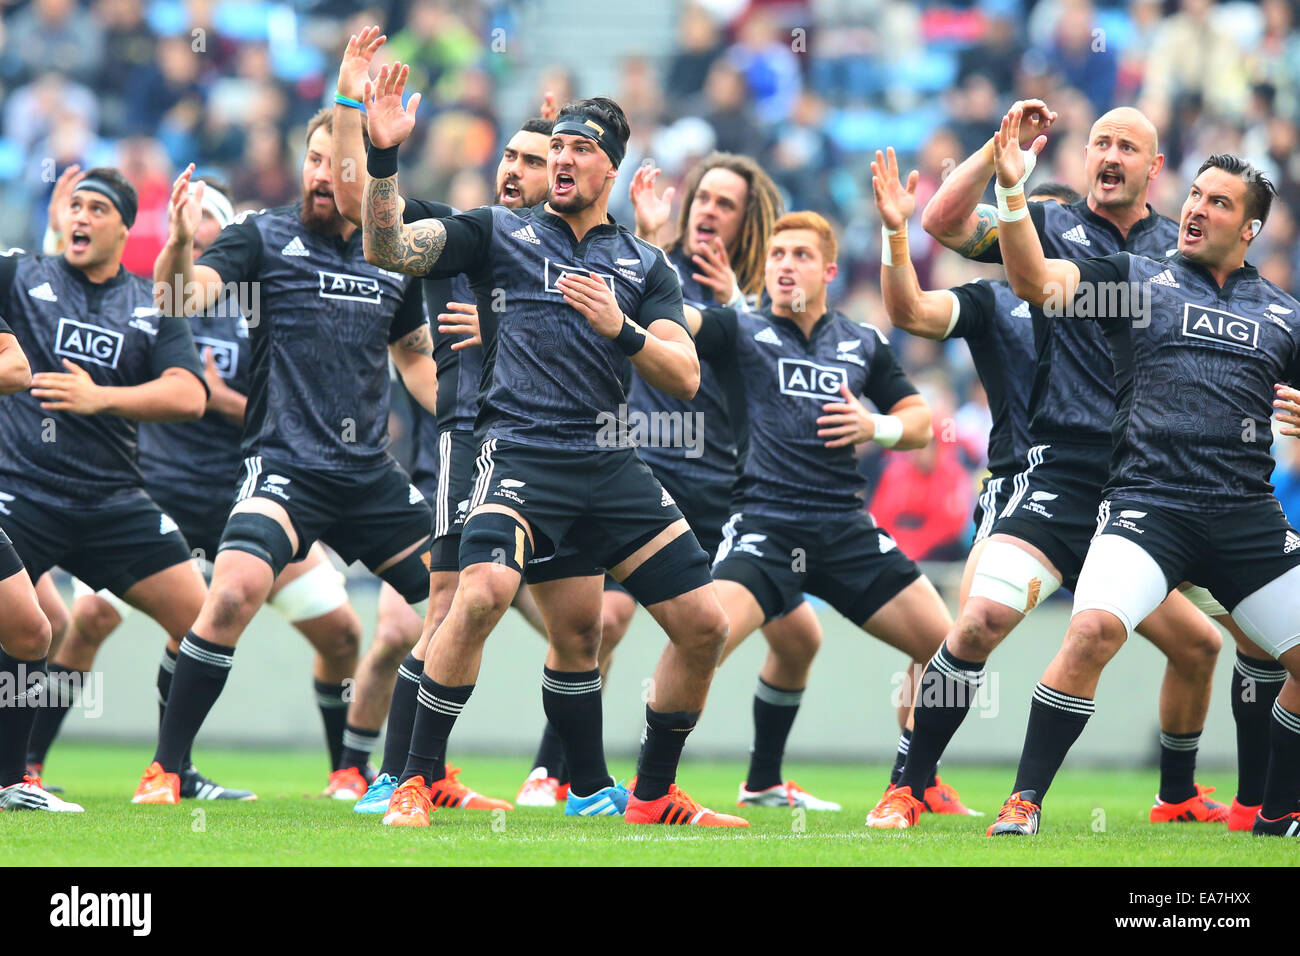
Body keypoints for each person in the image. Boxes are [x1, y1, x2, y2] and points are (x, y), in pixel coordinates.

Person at [362, 65, 743, 827]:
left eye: (579, 149)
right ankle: (414, 778)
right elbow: (388, 247)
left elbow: (687, 374)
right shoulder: (496, 232)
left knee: (698, 626)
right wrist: (382, 160)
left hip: (609, 461)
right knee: (479, 595)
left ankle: (651, 793)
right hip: (521, 453)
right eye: (556, 146)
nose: (562, 159)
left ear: (611, 167)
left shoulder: (643, 264)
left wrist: (622, 328)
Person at [873, 105, 1240, 829]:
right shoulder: (1046, 230)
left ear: (1153, 167)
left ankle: (1184, 796)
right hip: (1057, 475)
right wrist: (997, 153)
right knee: (974, 625)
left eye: (1127, 146)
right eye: (1099, 142)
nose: (1110, 155)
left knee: (1206, 643)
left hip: (1152, 482)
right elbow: (943, 227)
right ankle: (910, 783)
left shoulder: (1180, 247)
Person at [986, 117, 1300, 838]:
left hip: (1246, 514)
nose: (1196, 208)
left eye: (1219, 202)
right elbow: (1037, 281)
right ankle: (1024, 801)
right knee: (1091, 629)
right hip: (1147, 506)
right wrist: (1010, 191)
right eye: (1193, 194)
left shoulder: (1284, 314)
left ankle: (1279, 812)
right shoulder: (1135, 281)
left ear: (1250, 229)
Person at [25, 175, 370, 800]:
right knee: (90, 619)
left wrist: (222, 397)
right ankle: (33, 764)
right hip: (159, 495)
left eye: (213, 218)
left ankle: (345, 769)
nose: (204, 229)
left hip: (249, 499)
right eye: (191, 219)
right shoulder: (157, 302)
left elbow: (296, 408)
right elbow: (59, 293)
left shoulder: (267, 306)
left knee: (342, 630)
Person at [133, 105, 439, 805]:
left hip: (369, 475)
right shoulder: (260, 236)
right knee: (233, 591)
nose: (323, 175)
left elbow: (415, 361)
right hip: (285, 466)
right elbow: (178, 296)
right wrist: (178, 244)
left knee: (456, 600)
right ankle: (167, 769)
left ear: (369, 177)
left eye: (340, 164)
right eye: (313, 160)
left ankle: (405, 775)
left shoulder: (391, 252)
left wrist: (467, 414)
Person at [679, 210, 974, 815]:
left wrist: (877, 425)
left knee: (947, 648)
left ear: (830, 271)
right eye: (778, 255)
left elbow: (920, 423)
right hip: (767, 521)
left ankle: (913, 782)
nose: (786, 264)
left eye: (801, 256)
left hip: (844, 526)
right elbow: (676, 322)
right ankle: (653, 786)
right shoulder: (740, 329)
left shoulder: (862, 341)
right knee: (700, 642)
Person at [330, 26, 545, 813]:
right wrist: (355, 107)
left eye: (534, 160)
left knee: (587, 618)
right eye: (510, 159)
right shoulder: (471, 232)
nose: (515, 173)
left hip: (567, 448)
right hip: (476, 437)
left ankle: (575, 778)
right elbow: (369, 214)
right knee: (451, 602)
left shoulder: (586, 250)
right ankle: (404, 771)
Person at [0, 167, 213, 809]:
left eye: (97, 209)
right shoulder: (20, 275)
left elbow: (190, 394)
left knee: (200, 621)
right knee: (36, 624)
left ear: (126, 226)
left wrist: (100, 398)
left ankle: (172, 767)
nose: (82, 218)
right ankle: (23, 768)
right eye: (74, 206)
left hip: (113, 502)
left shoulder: (151, 304)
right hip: (22, 491)